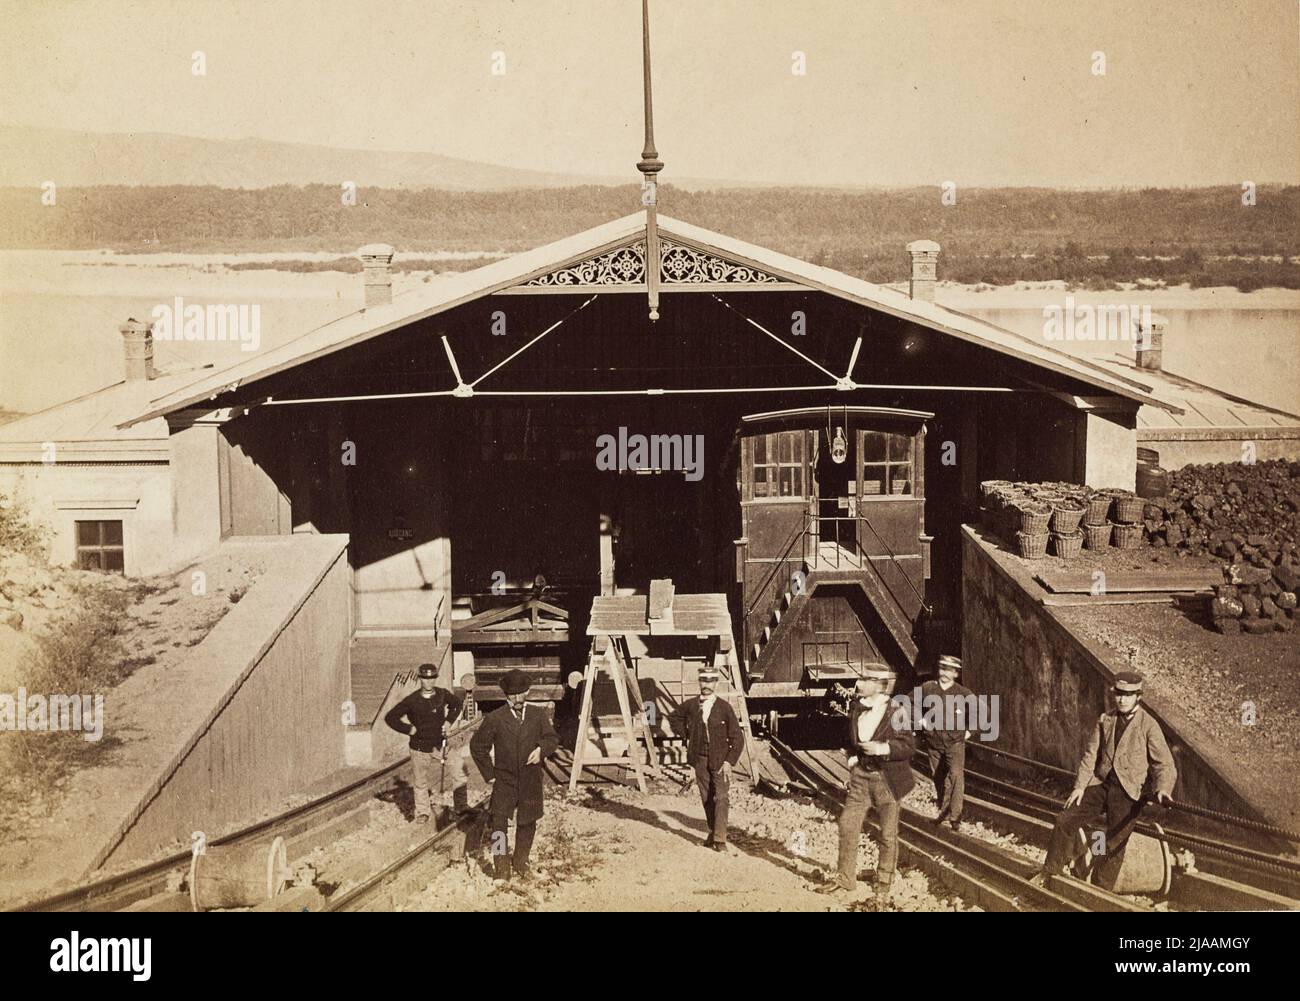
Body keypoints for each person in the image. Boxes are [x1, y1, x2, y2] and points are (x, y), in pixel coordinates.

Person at [1033, 671, 1177, 890]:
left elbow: (1164, 763)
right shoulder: (1106, 719)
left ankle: (1101, 892)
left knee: (1114, 843)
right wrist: (1080, 786)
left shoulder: (1149, 725)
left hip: (1128, 793)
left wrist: (1163, 789)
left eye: (1128, 695)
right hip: (1101, 785)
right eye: (1119, 694)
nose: (1122, 699)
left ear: (1138, 697)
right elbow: (1090, 755)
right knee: (1065, 820)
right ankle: (1049, 872)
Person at [824, 664, 915, 910]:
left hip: (887, 779)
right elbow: (849, 739)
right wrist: (852, 757)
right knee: (847, 824)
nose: (858, 684)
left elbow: (908, 746)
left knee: (886, 833)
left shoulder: (896, 711)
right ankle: (845, 879)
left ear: (878, 684)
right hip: (860, 778)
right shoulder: (856, 708)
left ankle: (883, 885)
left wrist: (882, 749)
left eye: (863, 680)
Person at [469, 668, 559, 882]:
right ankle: (501, 868)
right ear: (506, 695)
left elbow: (552, 738)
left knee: (528, 822)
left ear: (527, 692)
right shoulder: (495, 718)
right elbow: (478, 746)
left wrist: (541, 750)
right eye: (513, 695)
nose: (517, 699)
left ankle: (520, 861)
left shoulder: (538, 715)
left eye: (521, 694)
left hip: (530, 780)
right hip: (505, 780)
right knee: (499, 825)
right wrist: (490, 774)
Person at [667, 666, 746, 852]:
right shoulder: (691, 705)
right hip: (699, 759)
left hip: (720, 760)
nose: (706, 685)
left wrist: (729, 762)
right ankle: (713, 831)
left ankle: (720, 840)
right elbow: (674, 718)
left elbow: (738, 737)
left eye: (710, 682)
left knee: (722, 797)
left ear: (716, 683)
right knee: (706, 798)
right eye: (703, 681)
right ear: (699, 682)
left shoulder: (724, 708)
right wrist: (687, 734)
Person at [383, 662, 466, 824]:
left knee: (458, 768)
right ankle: (422, 812)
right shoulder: (412, 700)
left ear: (435, 679)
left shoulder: (442, 694)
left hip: (440, 745)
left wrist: (449, 721)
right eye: (425, 679)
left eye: (432, 678)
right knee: (421, 781)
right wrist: (408, 729)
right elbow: (390, 717)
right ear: (420, 679)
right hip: (419, 747)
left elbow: (457, 705)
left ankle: (461, 807)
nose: (429, 682)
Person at [920, 654, 974, 831]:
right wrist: (919, 721)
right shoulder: (928, 688)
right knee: (938, 776)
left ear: (956, 674)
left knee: (956, 776)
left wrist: (969, 731)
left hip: (954, 743)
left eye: (949, 670)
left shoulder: (963, 693)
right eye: (942, 669)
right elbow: (908, 703)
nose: (944, 673)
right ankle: (943, 812)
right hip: (933, 742)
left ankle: (955, 817)